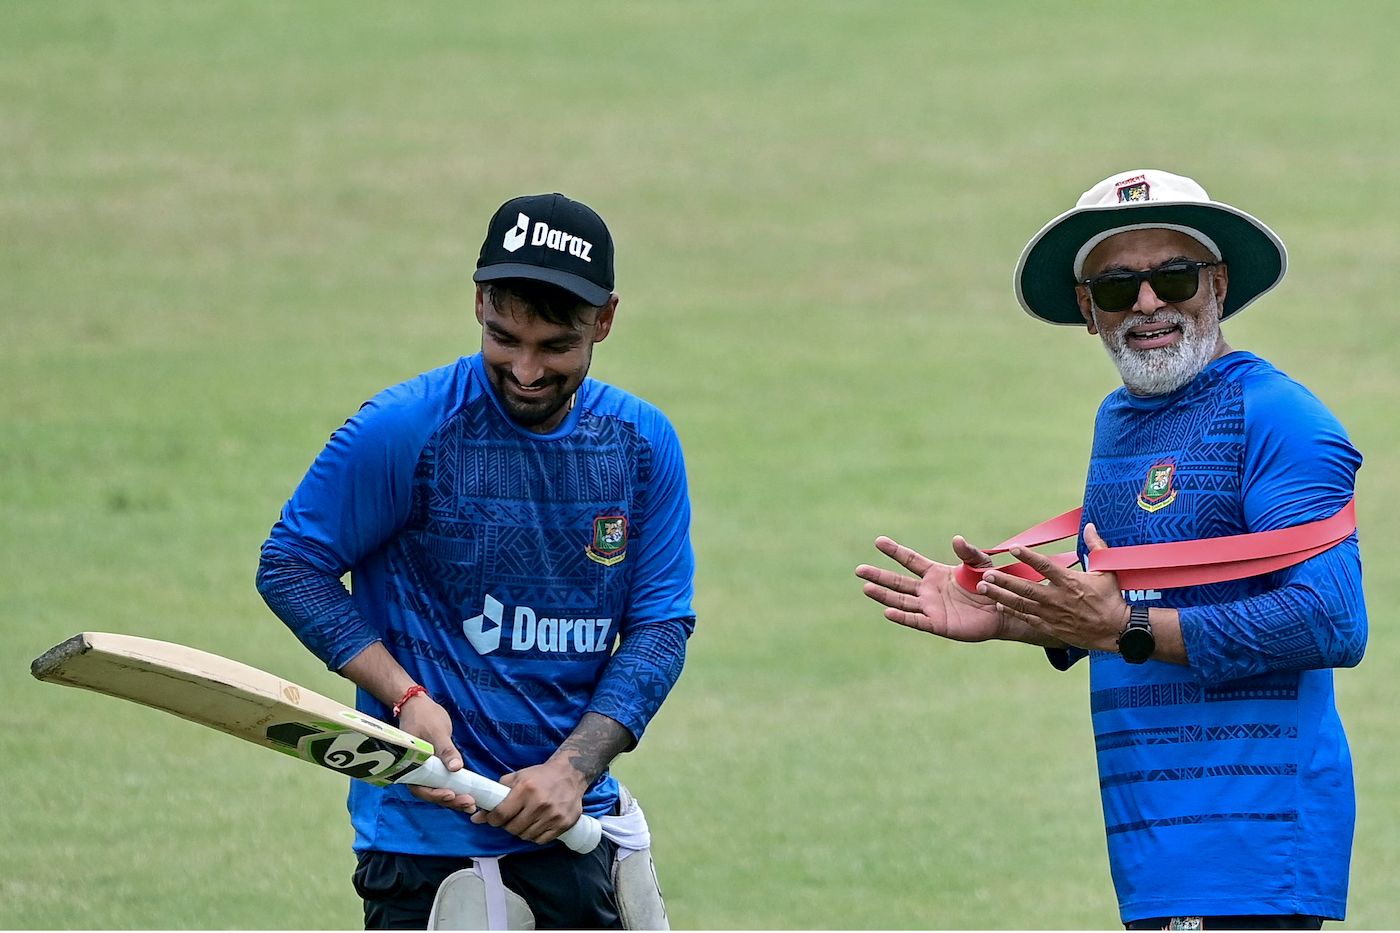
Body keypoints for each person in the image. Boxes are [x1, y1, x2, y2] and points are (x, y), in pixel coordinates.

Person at [856, 169, 1366, 930]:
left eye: (1175, 275)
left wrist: (1122, 628)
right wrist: (1018, 615)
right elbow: (1122, 612)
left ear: (1218, 285)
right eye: (1120, 287)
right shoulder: (1119, 420)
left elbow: (1330, 619)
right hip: (1156, 845)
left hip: (1250, 842)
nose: (1150, 303)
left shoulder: (1281, 415)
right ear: (1088, 311)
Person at [257, 192, 696, 930]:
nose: (525, 369)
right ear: (479, 303)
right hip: (430, 854)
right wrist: (405, 699)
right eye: (504, 338)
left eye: (555, 345)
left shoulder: (641, 444)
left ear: (605, 320)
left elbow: (659, 625)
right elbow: (291, 565)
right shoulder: (406, 429)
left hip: (577, 832)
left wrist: (573, 768)